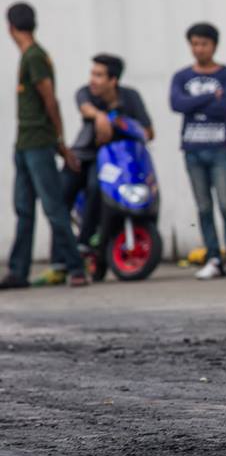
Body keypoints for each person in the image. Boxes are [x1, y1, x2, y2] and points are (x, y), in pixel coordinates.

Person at [34, 54, 154, 285]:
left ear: (113, 80)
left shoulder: (131, 98)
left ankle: (86, 242)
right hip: (82, 157)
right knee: (59, 199)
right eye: (93, 74)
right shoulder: (86, 93)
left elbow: (148, 131)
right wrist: (101, 117)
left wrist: (122, 125)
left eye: (99, 75)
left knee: (96, 187)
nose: (93, 80)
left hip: (112, 161)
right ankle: (59, 261)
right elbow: (85, 108)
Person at [0, 2, 87, 290]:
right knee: (24, 209)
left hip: (39, 144)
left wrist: (60, 141)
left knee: (53, 207)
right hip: (24, 144)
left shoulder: (35, 57)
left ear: (10, 27)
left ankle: (76, 267)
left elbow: (50, 100)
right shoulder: (28, 56)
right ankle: (18, 271)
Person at [170, 22, 226, 280]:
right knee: (203, 207)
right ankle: (213, 257)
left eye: (203, 43)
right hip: (192, 149)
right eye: (194, 43)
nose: (198, 48)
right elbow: (176, 104)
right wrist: (211, 96)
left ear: (213, 45)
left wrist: (197, 105)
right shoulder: (181, 76)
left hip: (219, 148)